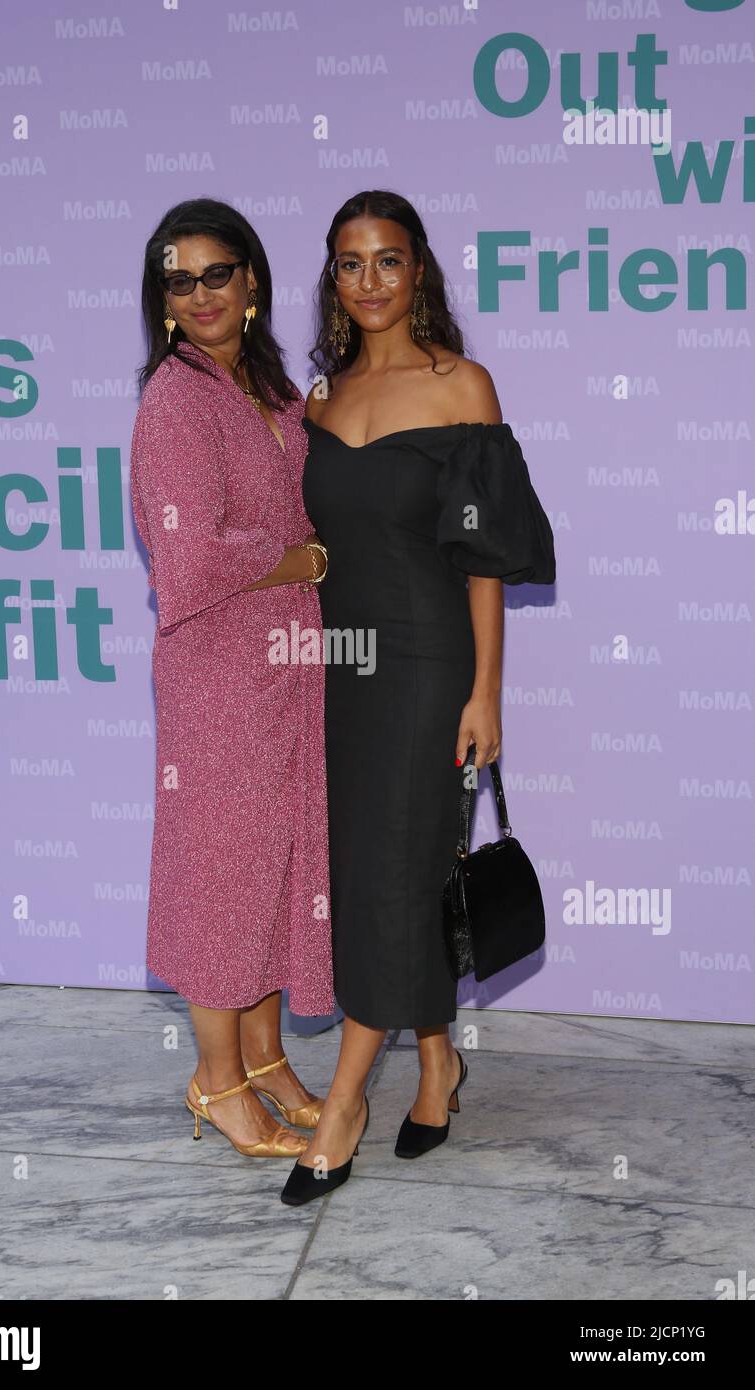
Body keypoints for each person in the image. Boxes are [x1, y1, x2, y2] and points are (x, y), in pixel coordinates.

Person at [281, 189, 556, 1205]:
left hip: (431, 661)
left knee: (395, 873)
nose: (369, 281)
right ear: (333, 278)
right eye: (349, 263)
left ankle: (345, 1099)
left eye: (386, 259)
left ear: (419, 270)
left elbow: (483, 560)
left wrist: (486, 689)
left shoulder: (461, 387)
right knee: (375, 876)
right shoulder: (318, 397)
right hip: (339, 671)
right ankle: (437, 1063)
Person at [130, 198, 335, 1160]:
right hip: (220, 676)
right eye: (182, 280)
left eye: (219, 274)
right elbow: (187, 557)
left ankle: (260, 1060)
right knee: (221, 875)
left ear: (251, 283)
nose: (203, 294)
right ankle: (216, 1084)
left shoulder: (266, 386)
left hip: (286, 672)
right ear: (164, 303)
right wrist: (296, 562)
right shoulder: (176, 398)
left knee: (271, 868)